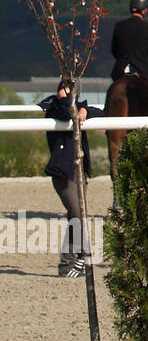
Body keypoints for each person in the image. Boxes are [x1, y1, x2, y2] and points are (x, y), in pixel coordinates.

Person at [39, 78, 104, 277]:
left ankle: (69, 263)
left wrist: (86, 110)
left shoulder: (77, 107)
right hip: (63, 173)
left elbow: (101, 112)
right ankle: (81, 257)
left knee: (75, 217)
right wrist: (76, 106)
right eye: (65, 91)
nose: (68, 95)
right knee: (78, 215)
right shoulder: (54, 107)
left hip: (79, 171)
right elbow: (66, 112)